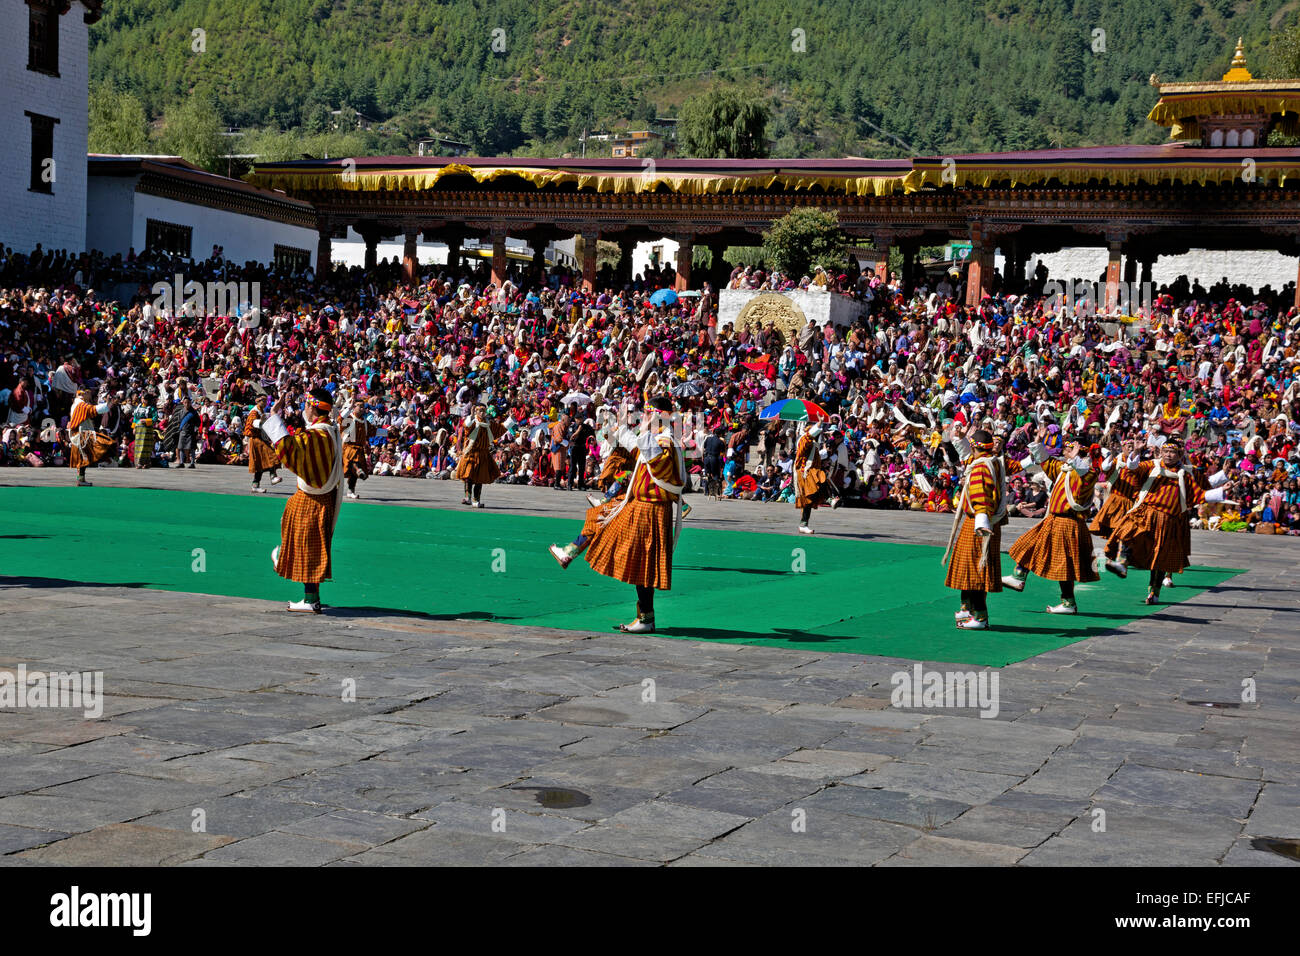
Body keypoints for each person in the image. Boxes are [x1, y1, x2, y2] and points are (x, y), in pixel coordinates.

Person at [548, 394, 685, 633]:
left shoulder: (666, 441)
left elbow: (656, 462)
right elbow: (638, 449)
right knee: (600, 517)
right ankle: (569, 551)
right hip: (640, 506)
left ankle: (646, 619)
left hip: (649, 510)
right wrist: (621, 428)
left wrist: (642, 431)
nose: (644, 416)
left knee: (641, 567)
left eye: (648, 413)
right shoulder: (658, 438)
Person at [1110, 436, 1232, 604]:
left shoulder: (1186, 473)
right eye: (1165, 451)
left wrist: (1221, 488)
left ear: (1180, 454)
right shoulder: (1151, 466)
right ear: (1160, 452)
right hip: (1146, 512)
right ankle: (1122, 563)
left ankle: (1154, 592)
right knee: (1126, 531)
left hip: (1169, 520)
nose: (1168, 455)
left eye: (1172, 452)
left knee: (1160, 558)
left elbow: (1199, 493)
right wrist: (1137, 450)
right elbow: (1133, 468)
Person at [264, 387, 344, 613]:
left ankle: (307, 595)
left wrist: (274, 416)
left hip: (311, 500)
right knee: (312, 549)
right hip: (323, 497)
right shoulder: (331, 430)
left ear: (312, 408)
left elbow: (289, 447)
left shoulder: (317, 435)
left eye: (306, 406)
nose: (304, 410)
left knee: (307, 549)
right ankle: (311, 598)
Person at [1002, 437, 1104, 614]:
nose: (1063, 451)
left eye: (1068, 449)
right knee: (1033, 545)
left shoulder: (1088, 472)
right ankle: (1022, 577)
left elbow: (1083, 473)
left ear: (1078, 451)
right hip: (1056, 520)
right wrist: (1038, 442)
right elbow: (1045, 461)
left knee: (1059, 562)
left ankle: (1023, 578)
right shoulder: (1064, 468)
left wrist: (1074, 458)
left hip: (1067, 522)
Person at [942, 428, 1020, 630]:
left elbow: (980, 496)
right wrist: (959, 439)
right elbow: (966, 456)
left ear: (975, 446)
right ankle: (967, 609)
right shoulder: (991, 461)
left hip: (979, 524)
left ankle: (980, 616)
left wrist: (981, 523)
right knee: (970, 570)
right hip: (981, 522)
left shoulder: (981, 467)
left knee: (975, 571)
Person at [794, 421, 839, 533]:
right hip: (805, 471)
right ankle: (829, 499)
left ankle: (803, 524)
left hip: (812, 471)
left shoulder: (814, 442)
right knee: (817, 483)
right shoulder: (803, 439)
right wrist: (818, 425)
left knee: (810, 497)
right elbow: (806, 441)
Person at [453, 403, 501, 507]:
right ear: (476, 411)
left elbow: (499, 430)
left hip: (483, 454)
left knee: (480, 478)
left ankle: (476, 500)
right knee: (468, 476)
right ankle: (467, 497)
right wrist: (470, 415)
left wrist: (510, 419)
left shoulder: (489, 424)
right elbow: (466, 427)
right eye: (480, 410)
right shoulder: (473, 422)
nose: (482, 413)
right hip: (471, 453)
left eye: (484, 411)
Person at [67, 390, 116, 486]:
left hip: (79, 434)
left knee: (82, 459)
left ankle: (81, 480)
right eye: (87, 393)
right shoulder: (80, 405)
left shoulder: (76, 404)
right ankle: (81, 479)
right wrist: (108, 404)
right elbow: (93, 410)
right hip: (82, 434)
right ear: (82, 394)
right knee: (104, 444)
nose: (89, 395)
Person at [245, 403, 282, 493]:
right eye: (263, 400)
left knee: (259, 464)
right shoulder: (254, 411)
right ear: (258, 401)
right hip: (256, 440)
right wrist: (260, 422)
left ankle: (255, 485)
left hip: (260, 439)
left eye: (265, 400)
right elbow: (252, 423)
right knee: (271, 454)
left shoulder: (261, 411)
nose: (265, 403)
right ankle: (273, 476)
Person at [340, 400, 372, 499]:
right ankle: (358, 470)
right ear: (354, 406)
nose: (362, 409)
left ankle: (351, 491)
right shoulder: (349, 419)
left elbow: (373, 431)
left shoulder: (365, 422)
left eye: (363, 407)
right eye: (360, 406)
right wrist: (348, 408)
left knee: (352, 474)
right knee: (353, 461)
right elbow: (340, 419)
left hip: (359, 448)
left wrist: (388, 432)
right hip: (348, 447)